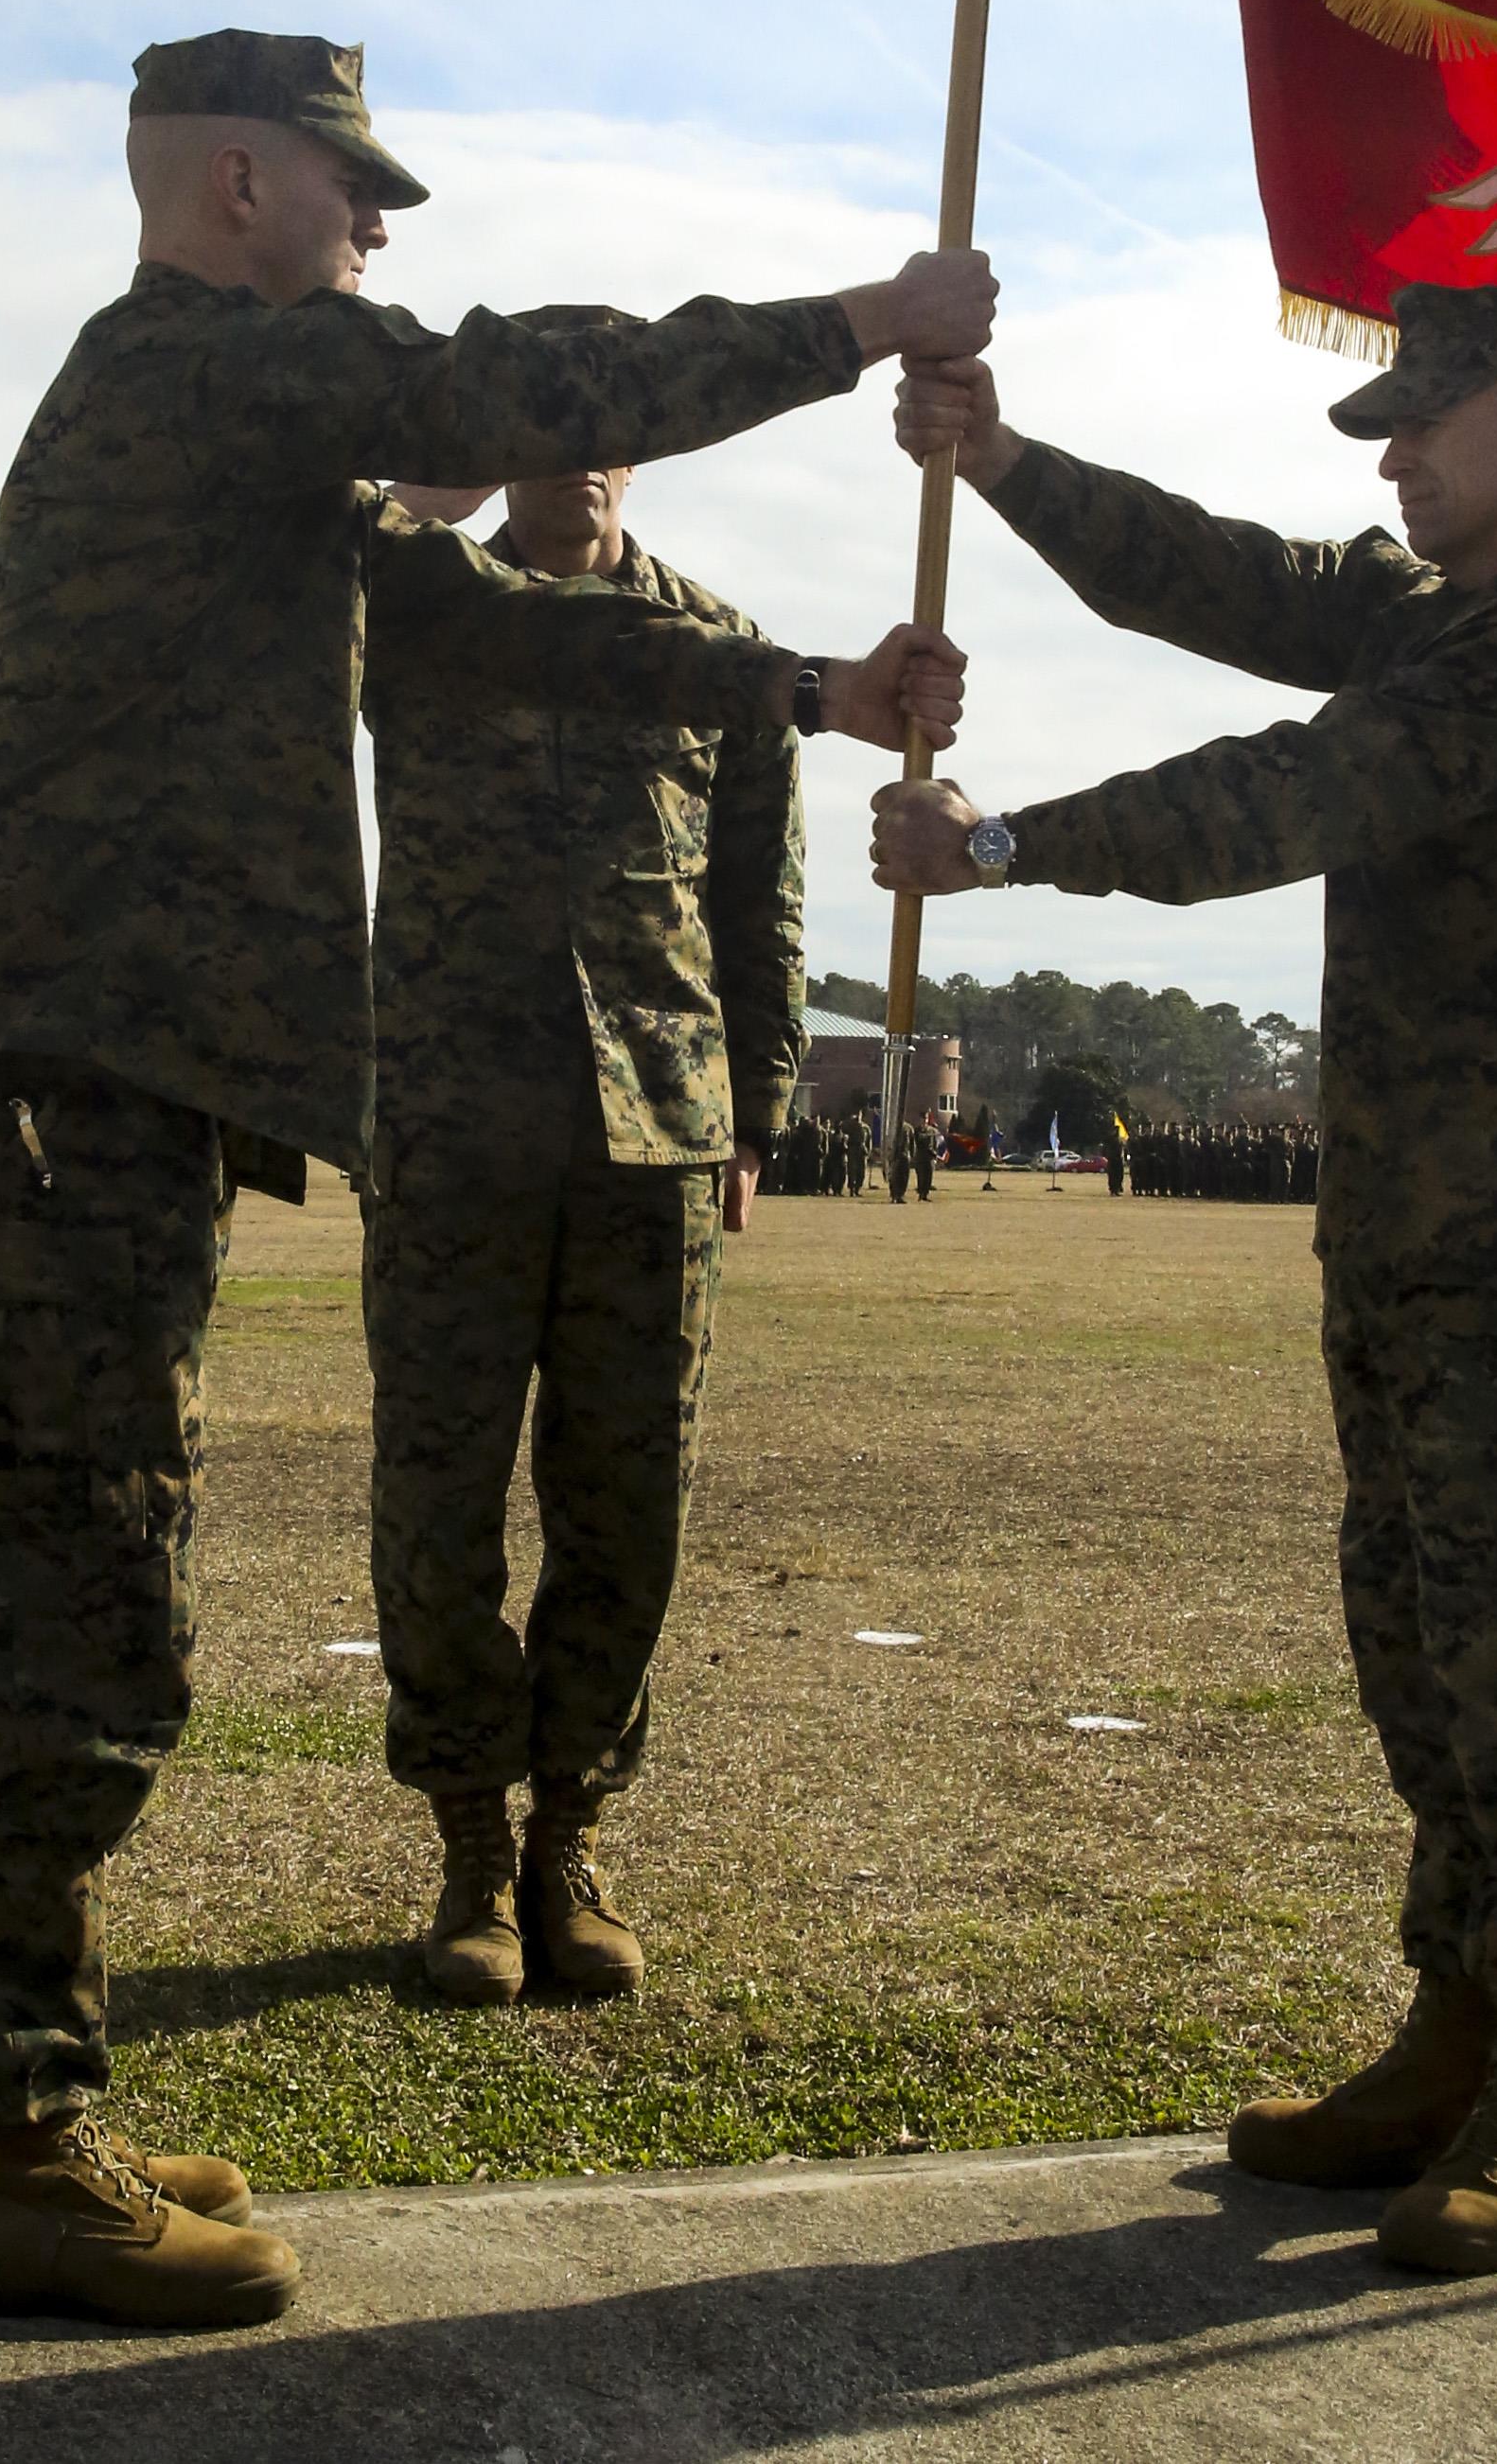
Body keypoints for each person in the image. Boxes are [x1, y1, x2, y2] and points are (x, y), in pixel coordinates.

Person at [0, 24, 991, 2333]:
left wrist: (806, 700)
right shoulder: (200, 367)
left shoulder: (255, 448)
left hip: (92, 1080)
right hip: (45, 1075)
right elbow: (520, 385)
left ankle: (12, 2087)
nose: (378, 233)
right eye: (357, 195)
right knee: (71, 1624)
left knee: (91, 1602)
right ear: (242, 182)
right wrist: (866, 321)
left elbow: (503, 623)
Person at [877, 283, 1497, 2279]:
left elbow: (1292, 789)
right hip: (1409, 1234)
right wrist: (1000, 466)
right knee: (1419, 1657)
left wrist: (1006, 849)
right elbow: (1217, 577)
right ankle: (1456, 2024)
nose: (1390, 454)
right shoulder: (1432, 613)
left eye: (1424, 422)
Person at [362, 434, 860, 2006]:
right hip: (451, 1122)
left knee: (627, 1503)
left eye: (600, 423)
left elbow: (758, 896)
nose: (571, 455)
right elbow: (319, 536)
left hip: (652, 1131)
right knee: (437, 1500)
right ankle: (463, 1845)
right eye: (536, 419)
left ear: (639, 449)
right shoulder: (423, 612)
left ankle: (564, 1838)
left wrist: (757, 1107)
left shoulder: (721, 654)